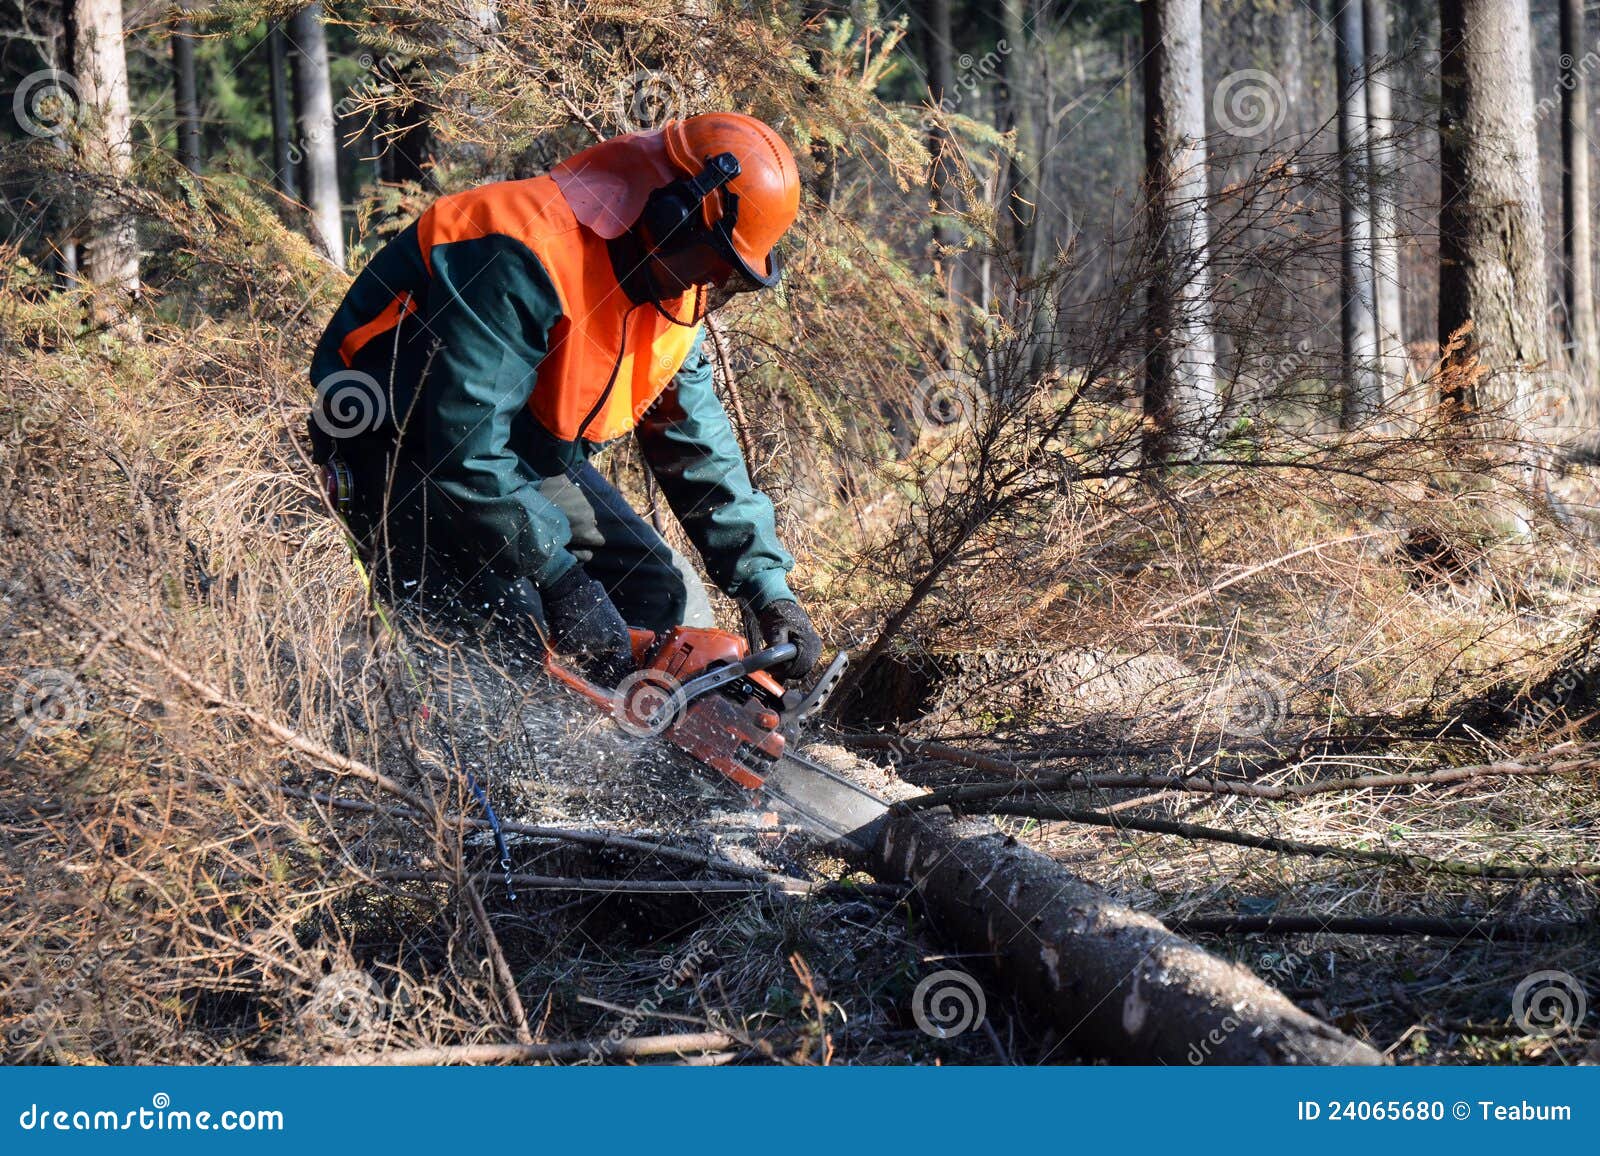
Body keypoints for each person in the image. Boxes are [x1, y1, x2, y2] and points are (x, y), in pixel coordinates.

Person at [307, 113, 822, 688]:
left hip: (515, 451)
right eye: (707, 262)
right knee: (516, 626)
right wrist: (560, 580)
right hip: (400, 445)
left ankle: (638, 748)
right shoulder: (521, 250)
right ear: (667, 214)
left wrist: (767, 589)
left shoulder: (672, 294)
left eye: (728, 274)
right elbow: (459, 450)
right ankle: (476, 755)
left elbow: (696, 443)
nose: (705, 284)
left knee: (651, 589)